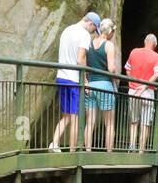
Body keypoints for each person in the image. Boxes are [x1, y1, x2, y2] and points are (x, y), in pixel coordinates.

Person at [50, 11, 101, 153]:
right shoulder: (84, 35)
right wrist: (85, 79)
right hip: (73, 79)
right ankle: (72, 152)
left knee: (66, 116)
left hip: (61, 76)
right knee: (75, 117)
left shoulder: (67, 30)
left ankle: (54, 144)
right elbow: (80, 60)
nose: (92, 32)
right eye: (93, 29)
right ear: (90, 23)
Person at [125, 33, 158, 154]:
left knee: (133, 121)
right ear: (155, 44)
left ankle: (131, 147)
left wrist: (133, 83)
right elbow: (157, 74)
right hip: (147, 92)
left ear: (145, 41)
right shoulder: (157, 56)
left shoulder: (134, 51)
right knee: (145, 123)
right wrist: (145, 85)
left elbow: (127, 69)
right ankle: (141, 151)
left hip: (133, 91)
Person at [85, 18, 118, 153]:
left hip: (91, 84)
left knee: (89, 123)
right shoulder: (109, 45)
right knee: (109, 123)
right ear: (110, 32)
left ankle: (86, 151)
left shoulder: (90, 43)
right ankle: (108, 153)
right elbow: (111, 69)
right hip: (105, 85)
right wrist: (115, 76)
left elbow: (86, 65)